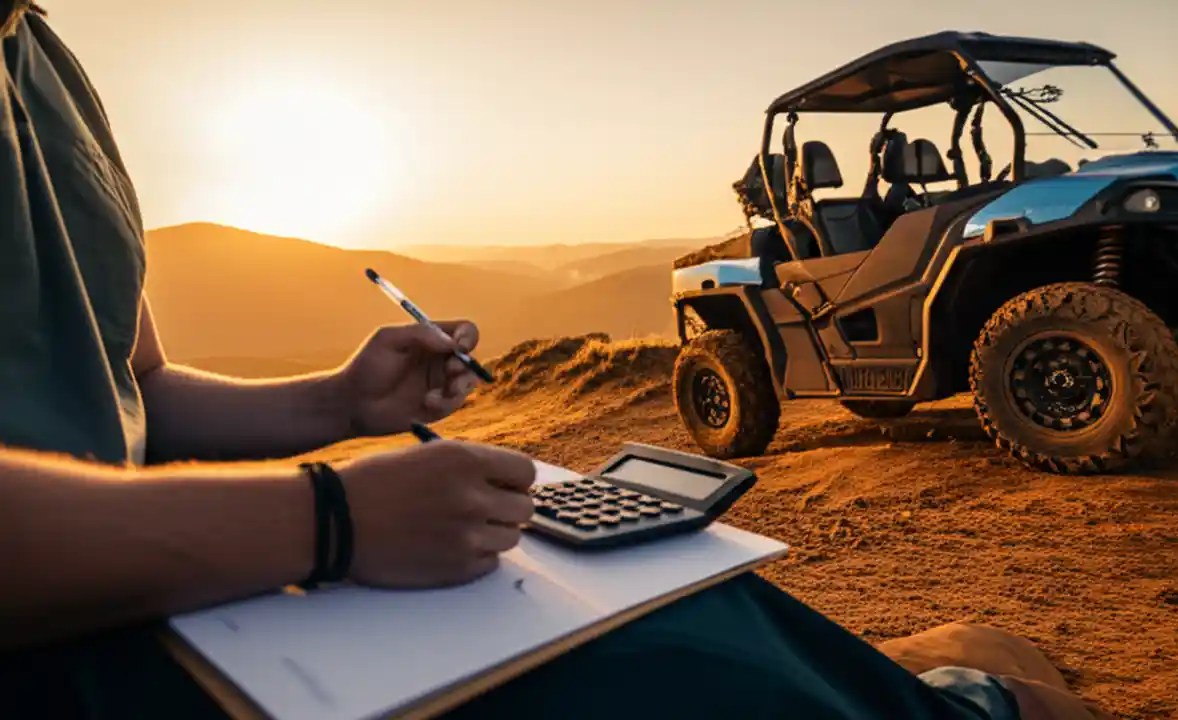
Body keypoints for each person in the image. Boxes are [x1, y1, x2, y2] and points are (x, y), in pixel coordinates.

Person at [0, 7, 1102, 720]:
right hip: (70, 648)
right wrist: (326, 521)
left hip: (173, 584)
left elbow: (132, 389)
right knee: (676, 678)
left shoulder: (45, 61)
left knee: (675, 602)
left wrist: (337, 401)